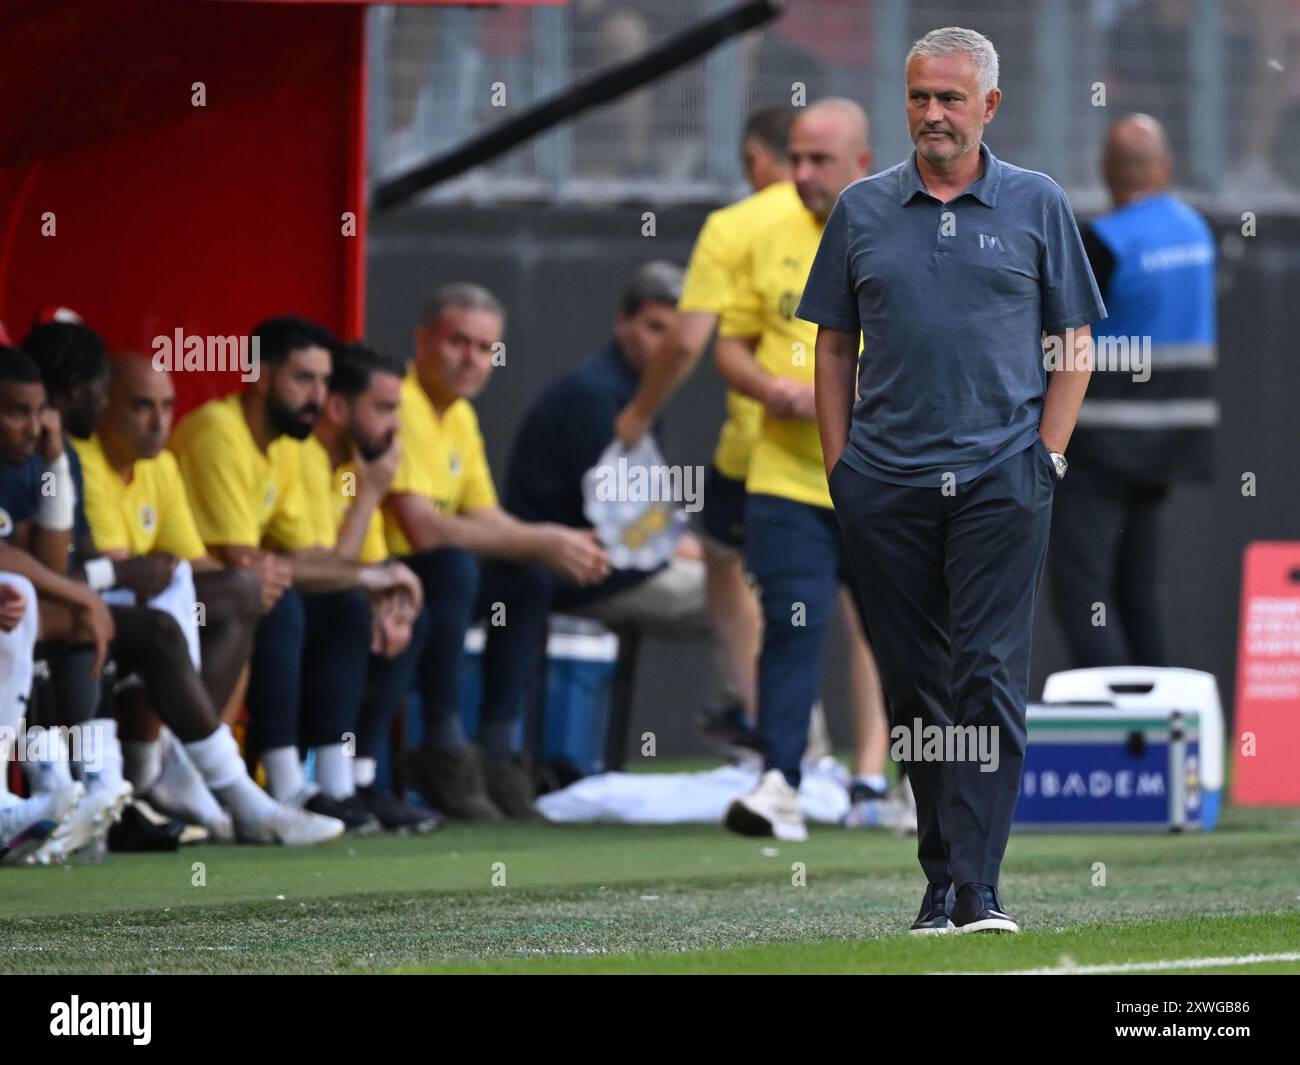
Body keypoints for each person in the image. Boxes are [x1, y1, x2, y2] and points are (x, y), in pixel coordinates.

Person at [801, 27, 1105, 933]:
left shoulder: (1036, 202)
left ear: (990, 107)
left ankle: (979, 885)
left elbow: (1074, 341)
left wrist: (1046, 456)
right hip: (883, 483)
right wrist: (840, 466)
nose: (932, 115)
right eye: (919, 97)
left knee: (986, 674)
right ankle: (940, 878)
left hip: (1000, 477)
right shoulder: (860, 208)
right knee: (914, 685)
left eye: (950, 99)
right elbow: (831, 341)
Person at [0, 343, 338, 854]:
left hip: (59, 604)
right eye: (17, 412)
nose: (35, 426)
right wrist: (94, 583)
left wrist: (53, 466)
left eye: (37, 411)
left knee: (190, 605)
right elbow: (59, 572)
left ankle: (126, 785)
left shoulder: (50, 456)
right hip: (49, 607)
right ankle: (71, 787)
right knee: (58, 608)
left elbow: (55, 562)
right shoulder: (76, 455)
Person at [476, 261, 719, 798]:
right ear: (622, 324)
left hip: (619, 563)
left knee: (744, 586)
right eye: (655, 327)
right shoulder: (595, 394)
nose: (665, 346)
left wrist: (696, 547)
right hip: (573, 570)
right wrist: (689, 552)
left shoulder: (640, 393)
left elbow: (659, 513)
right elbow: (622, 529)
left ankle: (769, 748)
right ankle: (782, 758)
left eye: (675, 333)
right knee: (741, 601)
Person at [171, 316, 417, 834]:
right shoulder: (221, 432)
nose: (318, 396)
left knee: (346, 605)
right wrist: (365, 562)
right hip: (182, 593)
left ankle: (336, 784)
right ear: (260, 376)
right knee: (278, 601)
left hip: (230, 593)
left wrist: (374, 576)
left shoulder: (285, 446)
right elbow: (245, 562)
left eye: (324, 381)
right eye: (303, 379)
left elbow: (311, 558)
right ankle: (284, 784)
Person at [711, 98, 881, 844]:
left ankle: (904, 782)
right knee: (789, 626)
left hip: (883, 478)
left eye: (818, 160)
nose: (801, 174)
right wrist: (772, 389)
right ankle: (781, 780)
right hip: (784, 472)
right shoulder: (759, 226)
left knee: (904, 635)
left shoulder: (902, 227)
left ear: (861, 165)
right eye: (796, 156)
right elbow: (729, 344)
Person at [382, 283, 610, 820]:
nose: (472, 359)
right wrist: (540, 539)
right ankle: (440, 745)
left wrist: (551, 544)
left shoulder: (458, 414)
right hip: (386, 567)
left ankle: (498, 750)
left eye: (485, 349)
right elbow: (420, 528)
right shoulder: (400, 403)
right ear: (423, 340)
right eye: (458, 342)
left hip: (432, 569)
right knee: (456, 568)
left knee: (525, 579)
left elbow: (483, 513)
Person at [1049, 113, 1217, 668]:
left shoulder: (1104, 240)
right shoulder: (1196, 232)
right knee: (1137, 588)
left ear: (1106, 171)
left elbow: (1066, 334)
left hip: (1101, 445)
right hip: (1171, 444)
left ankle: (1117, 730)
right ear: (1164, 167)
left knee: (1082, 591)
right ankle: (1158, 723)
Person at [302, 340, 438, 832]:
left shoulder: (351, 467)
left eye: (397, 410)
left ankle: (362, 780)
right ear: (339, 408)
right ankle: (328, 785)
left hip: (336, 593)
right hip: (296, 602)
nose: (396, 424)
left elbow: (366, 559)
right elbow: (334, 564)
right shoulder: (310, 459)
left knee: (407, 617)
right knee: (349, 613)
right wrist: (375, 491)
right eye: (383, 409)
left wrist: (393, 594)